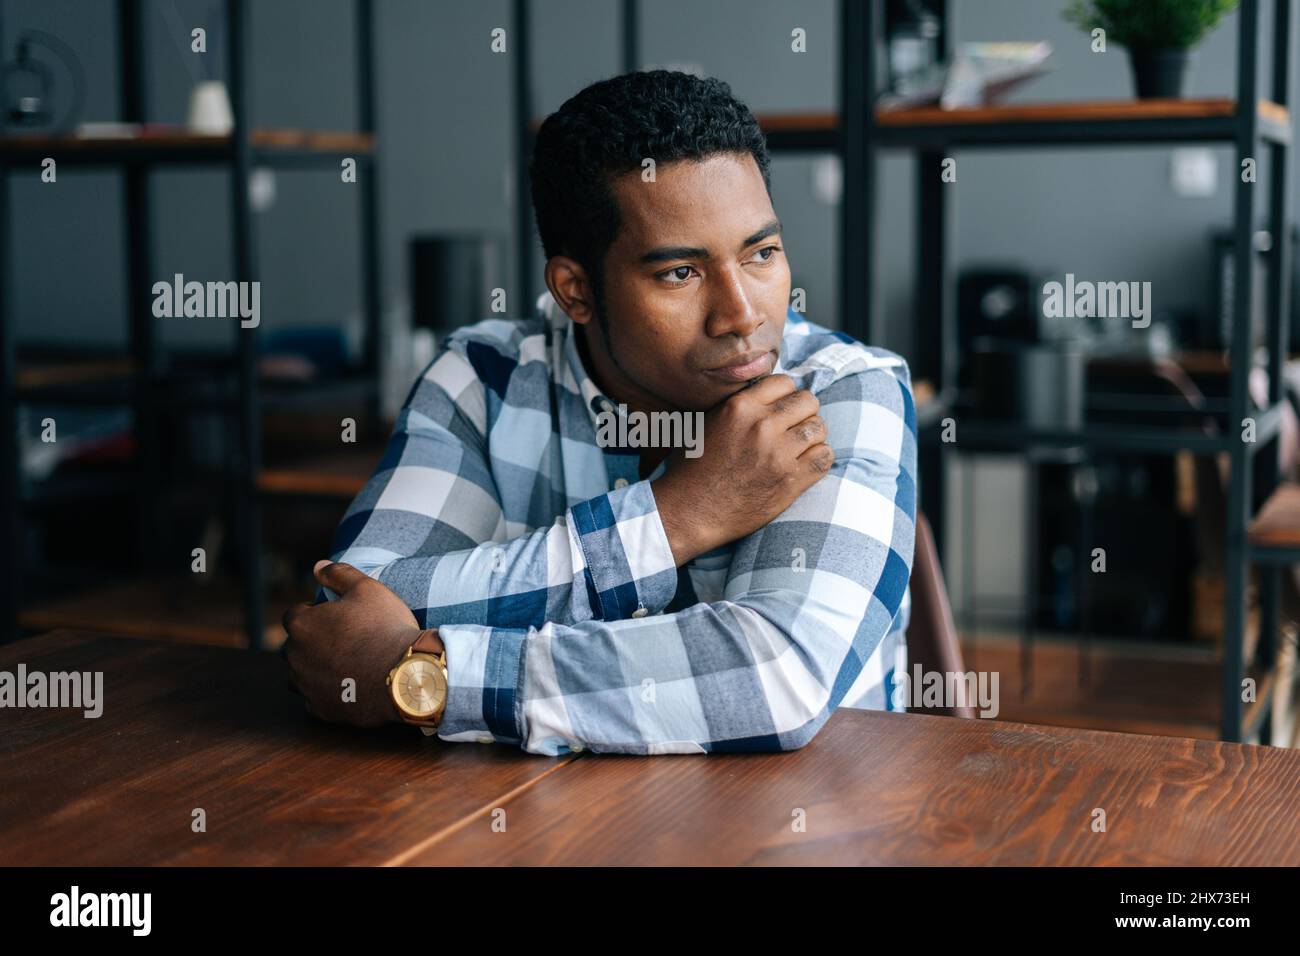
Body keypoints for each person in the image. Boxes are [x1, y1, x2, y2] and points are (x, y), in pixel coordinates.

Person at [281, 70, 916, 755]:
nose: (743, 314)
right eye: (681, 273)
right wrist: (673, 520)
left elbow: (772, 681)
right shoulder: (487, 376)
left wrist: (425, 673)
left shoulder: (844, 390)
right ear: (575, 290)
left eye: (761, 253)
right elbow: (349, 614)